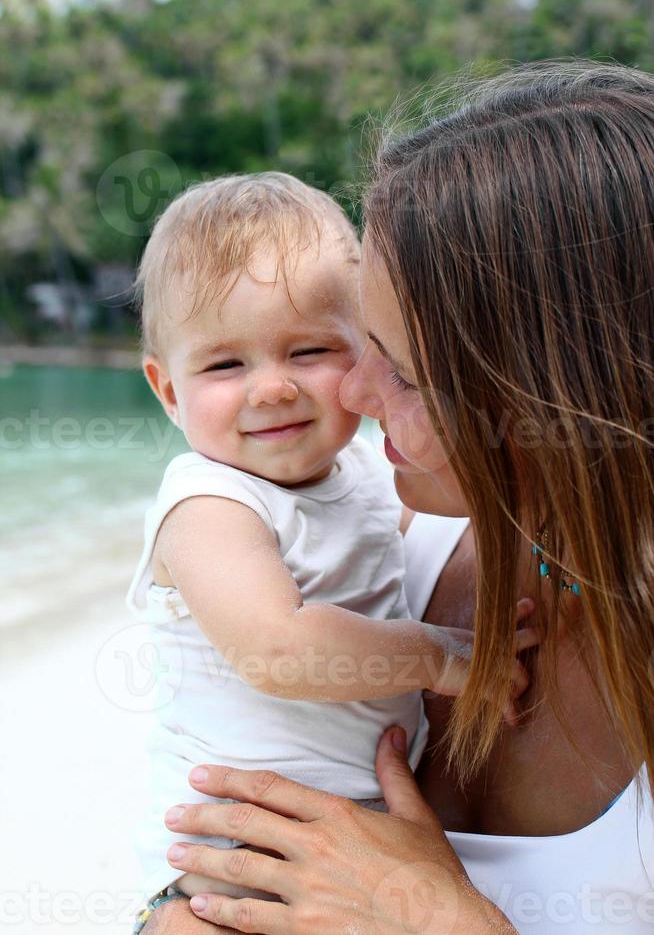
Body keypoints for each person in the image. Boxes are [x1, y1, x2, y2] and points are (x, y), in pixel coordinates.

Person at [142, 61, 654, 934]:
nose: (349, 395)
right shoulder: (400, 551)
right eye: (364, 346)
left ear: (554, 397)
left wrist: (444, 919)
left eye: (401, 371)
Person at [127, 172, 537, 929]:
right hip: (225, 871)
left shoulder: (366, 475)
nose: (273, 388)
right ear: (169, 393)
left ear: (364, 354)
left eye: (309, 350)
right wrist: (440, 656)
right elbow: (278, 650)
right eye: (226, 364)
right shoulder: (209, 506)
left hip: (361, 850)